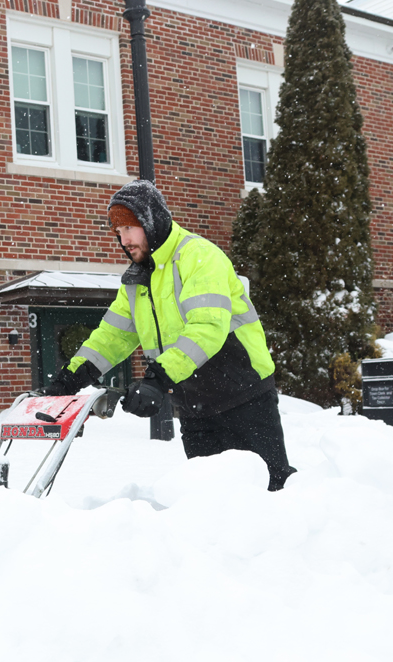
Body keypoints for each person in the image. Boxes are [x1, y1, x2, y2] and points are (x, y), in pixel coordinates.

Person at [45, 179, 296, 491]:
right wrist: (69, 379)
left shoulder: (198, 256)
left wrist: (157, 379)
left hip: (243, 396)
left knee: (271, 491)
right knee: (209, 496)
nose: (124, 240)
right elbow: (112, 336)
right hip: (195, 408)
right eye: (118, 231)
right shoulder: (136, 281)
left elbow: (207, 328)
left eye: (130, 228)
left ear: (151, 221)